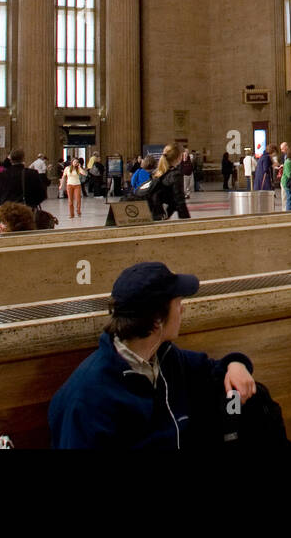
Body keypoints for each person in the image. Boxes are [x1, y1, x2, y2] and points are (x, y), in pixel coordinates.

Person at [49, 262, 259, 449]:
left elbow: (212, 369)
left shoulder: (164, 357)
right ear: (157, 320)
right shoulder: (89, 397)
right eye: (177, 303)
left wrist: (237, 364)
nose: (182, 310)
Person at [149, 148, 190, 220]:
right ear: (178, 158)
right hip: (160, 212)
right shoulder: (175, 174)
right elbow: (179, 199)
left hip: (150, 209)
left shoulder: (156, 172)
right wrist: (186, 220)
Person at [278, 142, 291, 211]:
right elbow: (289, 174)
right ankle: (285, 211)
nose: (282, 151)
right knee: (287, 198)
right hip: (286, 181)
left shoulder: (288, 159)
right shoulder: (288, 160)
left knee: (288, 198)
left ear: (286, 147)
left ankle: (286, 210)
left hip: (287, 181)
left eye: (282, 149)